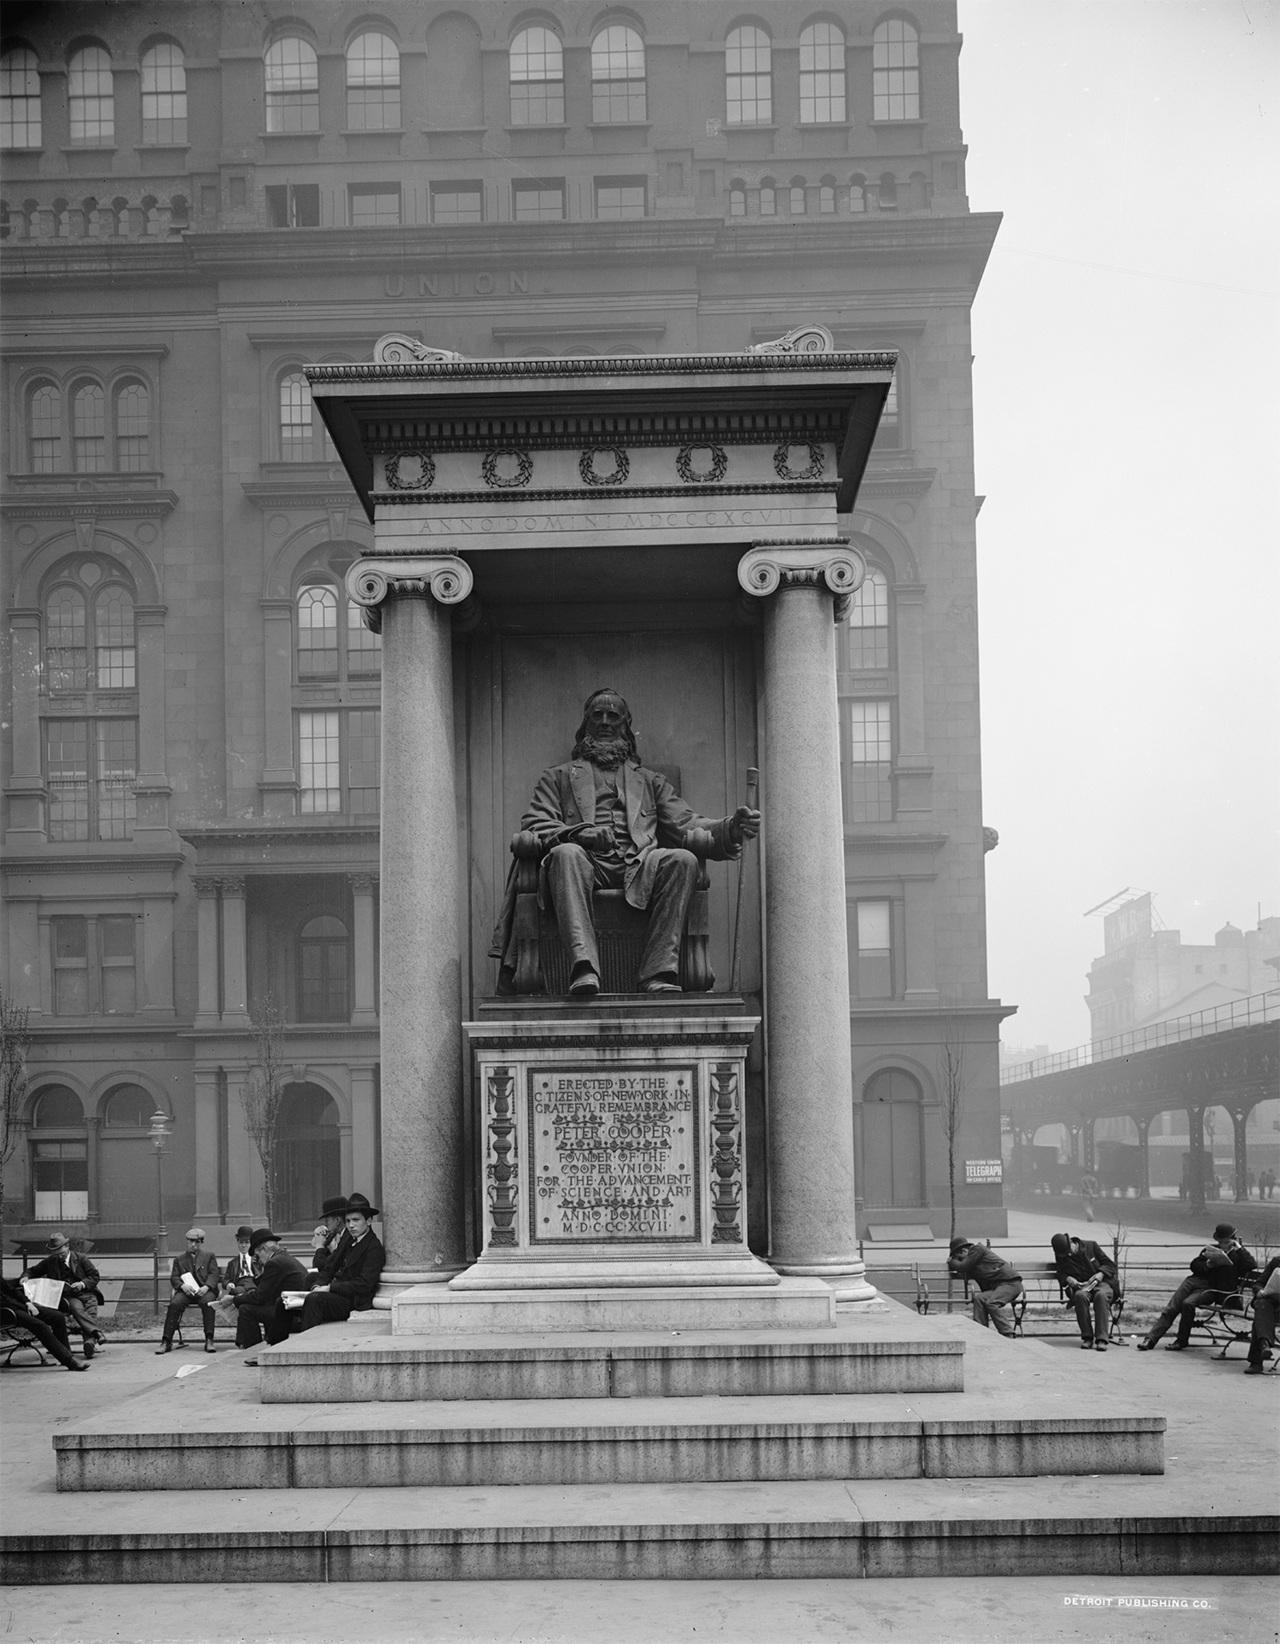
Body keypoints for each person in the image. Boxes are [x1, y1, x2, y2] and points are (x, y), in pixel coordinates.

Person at [490, 688, 761, 996]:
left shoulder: (649, 781)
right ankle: (583, 967)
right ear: (586, 724)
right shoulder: (559, 777)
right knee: (566, 853)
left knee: (682, 861)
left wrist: (732, 827)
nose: (605, 722)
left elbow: (688, 823)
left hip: (639, 866)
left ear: (626, 726)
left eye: (613, 716)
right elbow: (535, 825)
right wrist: (579, 833)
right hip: (584, 867)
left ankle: (658, 972)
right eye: (597, 715)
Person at [1137, 1222, 1258, 1351]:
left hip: (1212, 1289)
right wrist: (1208, 1265)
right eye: (1221, 1241)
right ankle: (1150, 1339)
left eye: (1226, 1241)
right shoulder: (1212, 1250)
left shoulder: (1238, 1255)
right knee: (1172, 1308)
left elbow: (1252, 1265)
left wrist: (1240, 1249)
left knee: (1188, 1303)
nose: (1223, 1244)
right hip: (1194, 1282)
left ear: (1232, 1240)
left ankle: (1181, 1340)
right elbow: (1194, 1265)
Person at [297, 1193, 384, 1332]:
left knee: (315, 1300)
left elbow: (364, 1284)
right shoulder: (349, 1240)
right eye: (348, 1220)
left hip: (354, 1300)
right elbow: (330, 1267)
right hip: (339, 1293)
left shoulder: (374, 1247)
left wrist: (329, 1288)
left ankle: (308, 1341)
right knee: (285, 1303)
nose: (351, 1225)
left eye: (356, 1220)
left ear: (368, 1221)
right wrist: (318, 1284)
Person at [27, 1232, 106, 1358]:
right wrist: (25, 1277)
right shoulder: (51, 1261)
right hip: (70, 1297)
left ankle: (89, 1342)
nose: (59, 1255)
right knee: (76, 1308)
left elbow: (94, 1276)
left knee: (90, 1311)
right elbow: (33, 1271)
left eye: (60, 1251)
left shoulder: (81, 1258)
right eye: (55, 1252)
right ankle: (95, 1334)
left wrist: (82, 1284)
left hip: (87, 1293)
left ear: (67, 1246)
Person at [234, 1229, 308, 1356]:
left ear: (263, 1249)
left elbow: (259, 1297)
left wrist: (234, 1299)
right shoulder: (284, 1258)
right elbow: (266, 1289)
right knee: (262, 1307)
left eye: (257, 1255)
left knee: (246, 1310)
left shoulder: (274, 1263)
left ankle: (255, 1352)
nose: (258, 1259)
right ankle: (267, 1347)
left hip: (291, 1317)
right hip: (296, 1312)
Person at [1, 1274, 90, 1370]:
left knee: (57, 1317)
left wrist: (27, 1302)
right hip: (5, 1312)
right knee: (40, 1326)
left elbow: (11, 1289)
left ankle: (67, 1354)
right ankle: (69, 1361)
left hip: (19, 1307)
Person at [155, 1227, 221, 1354]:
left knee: (208, 1304)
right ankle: (166, 1341)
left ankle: (209, 1339)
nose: (193, 1245)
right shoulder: (179, 1259)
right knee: (174, 1304)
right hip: (186, 1293)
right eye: (190, 1242)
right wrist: (182, 1286)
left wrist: (206, 1286)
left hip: (204, 1291)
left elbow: (214, 1274)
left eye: (196, 1242)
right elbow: (174, 1277)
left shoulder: (209, 1256)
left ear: (201, 1242)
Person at [1050, 1231, 1120, 1351]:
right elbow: (1060, 1273)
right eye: (1066, 1253)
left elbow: (1110, 1265)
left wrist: (1101, 1274)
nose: (1069, 1254)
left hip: (1102, 1283)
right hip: (1082, 1286)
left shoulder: (1091, 1246)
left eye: (1070, 1251)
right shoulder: (1062, 1255)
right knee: (1080, 1296)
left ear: (1072, 1242)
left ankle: (1102, 1339)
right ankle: (1087, 1337)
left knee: (1101, 1296)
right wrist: (1068, 1278)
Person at [946, 1237, 1024, 1339]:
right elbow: (963, 1269)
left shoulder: (977, 1249)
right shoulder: (972, 1262)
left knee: (992, 1303)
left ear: (964, 1251)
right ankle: (981, 1332)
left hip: (1010, 1283)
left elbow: (962, 1267)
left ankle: (1008, 1333)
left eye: (959, 1258)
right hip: (999, 1287)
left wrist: (952, 1261)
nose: (961, 1260)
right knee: (980, 1299)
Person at [1245, 1256, 1280, 1375]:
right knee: (1262, 1305)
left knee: (1261, 1316)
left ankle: (1257, 1361)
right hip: (1271, 1306)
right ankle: (1264, 1345)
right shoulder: (1277, 1262)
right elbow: (1258, 1283)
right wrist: (1260, 1291)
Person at [307, 1196, 350, 1286]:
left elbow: (321, 1265)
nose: (326, 1223)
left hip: (343, 1283)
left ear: (337, 1220)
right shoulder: (336, 1235)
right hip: (336, 1280)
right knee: (312, 1277)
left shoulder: (347, 1236)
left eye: (327, 1220)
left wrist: (319, 1246)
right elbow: (322, 1266)